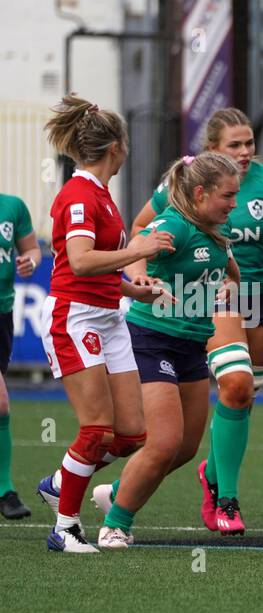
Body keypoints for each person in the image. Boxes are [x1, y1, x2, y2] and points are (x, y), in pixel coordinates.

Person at [131, 107, 263, 533]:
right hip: (215, 292)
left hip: (262, 294)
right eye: (234, 144)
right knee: (234, 384)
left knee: (243, 394)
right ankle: (228, 500)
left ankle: (209, 476)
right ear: (212, 149)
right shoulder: (188, 182)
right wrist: (140, 267)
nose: (245, 151)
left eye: (249, 142)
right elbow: (142, 226)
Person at [33, 94, 175, 553]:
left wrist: (137, 289)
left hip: (110, 317)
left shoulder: (102, 197)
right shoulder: (77, 194)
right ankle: (66, 528)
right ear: (117, 146)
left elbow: (102, 270)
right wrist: (141, 249)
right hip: (76, 318)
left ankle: (62, 479)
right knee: (95, 430)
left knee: (131, 434)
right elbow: (79, 260)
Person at [91, 152, 242, 548]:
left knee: (186, 448)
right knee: (162, 443)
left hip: (192, 346)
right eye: (227, 196)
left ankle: (118, 490)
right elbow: (137, 252)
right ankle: (115, 524)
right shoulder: (174, 223)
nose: (234, 204)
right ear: (199, 192)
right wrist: (143, 278)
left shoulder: (215, 232)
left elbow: (230, 273)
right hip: (151, 339)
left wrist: (229, 286)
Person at [0, 192, 40, 518]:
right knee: (0, 404)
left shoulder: (13, 206)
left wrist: (32, 261)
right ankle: (6, 492)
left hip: (4, 313)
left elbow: (31, 249)